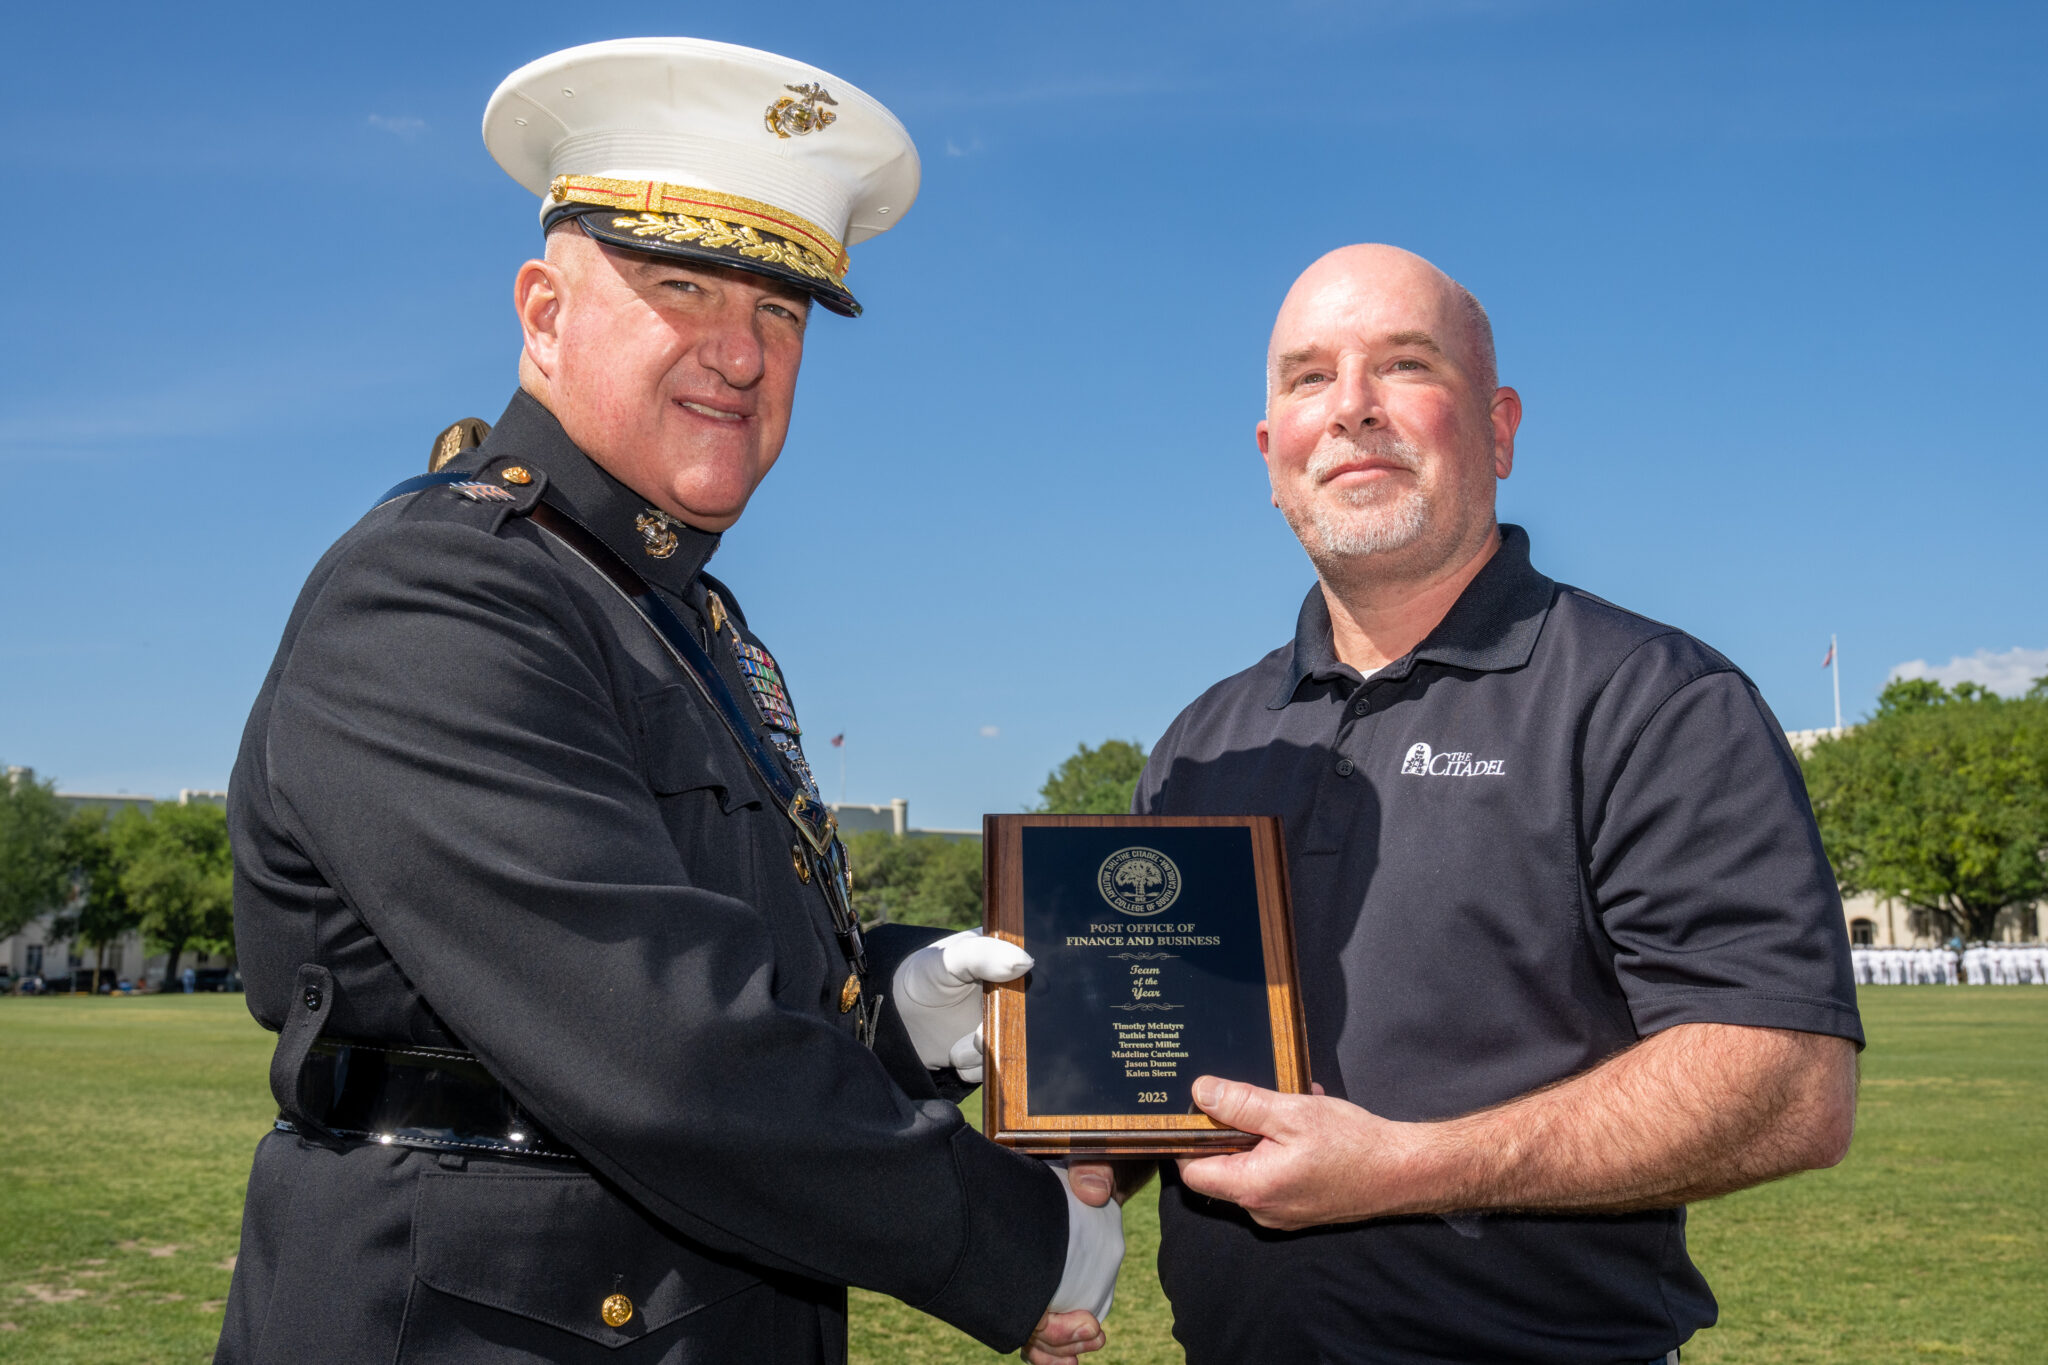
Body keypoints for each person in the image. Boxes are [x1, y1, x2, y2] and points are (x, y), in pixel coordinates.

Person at [218, 39, 1118, 1365]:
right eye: (681, 284)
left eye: (782, 313)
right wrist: (1015, 1238)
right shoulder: (434, 595)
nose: (739, 355)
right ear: (542, 314)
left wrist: (894, 1001)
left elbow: (720, 942)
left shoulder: (682, 618)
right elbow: (664, 1045)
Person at [1112, 244, 1863, 1363]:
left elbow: (1789, 1083)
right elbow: (1143, 1062)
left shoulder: (1650, 699)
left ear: (1499, 428)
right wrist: (1074, 1160)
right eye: (1307, 377)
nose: (1350, 408)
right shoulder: (1203, 741)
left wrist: (1406, 1170)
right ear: (1270, 454)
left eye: (1404, 365)